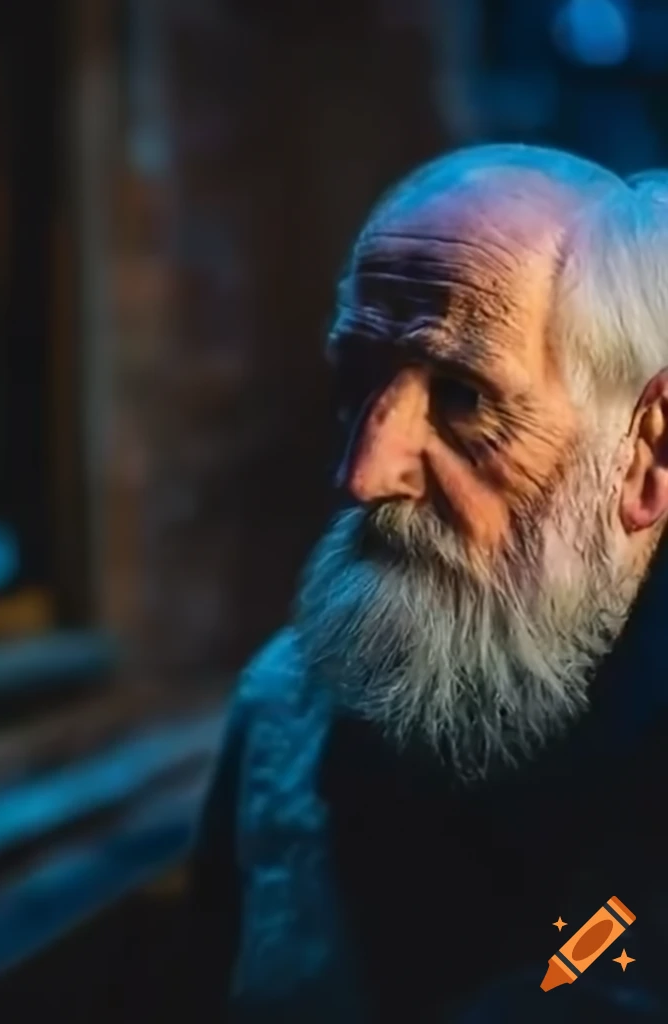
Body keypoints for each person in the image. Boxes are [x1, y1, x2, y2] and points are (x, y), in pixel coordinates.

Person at [187, 144, 668, 1023]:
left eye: (463, 399)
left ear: (647, 453)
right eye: (359, 381)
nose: (365, 473)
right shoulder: (284, 717)